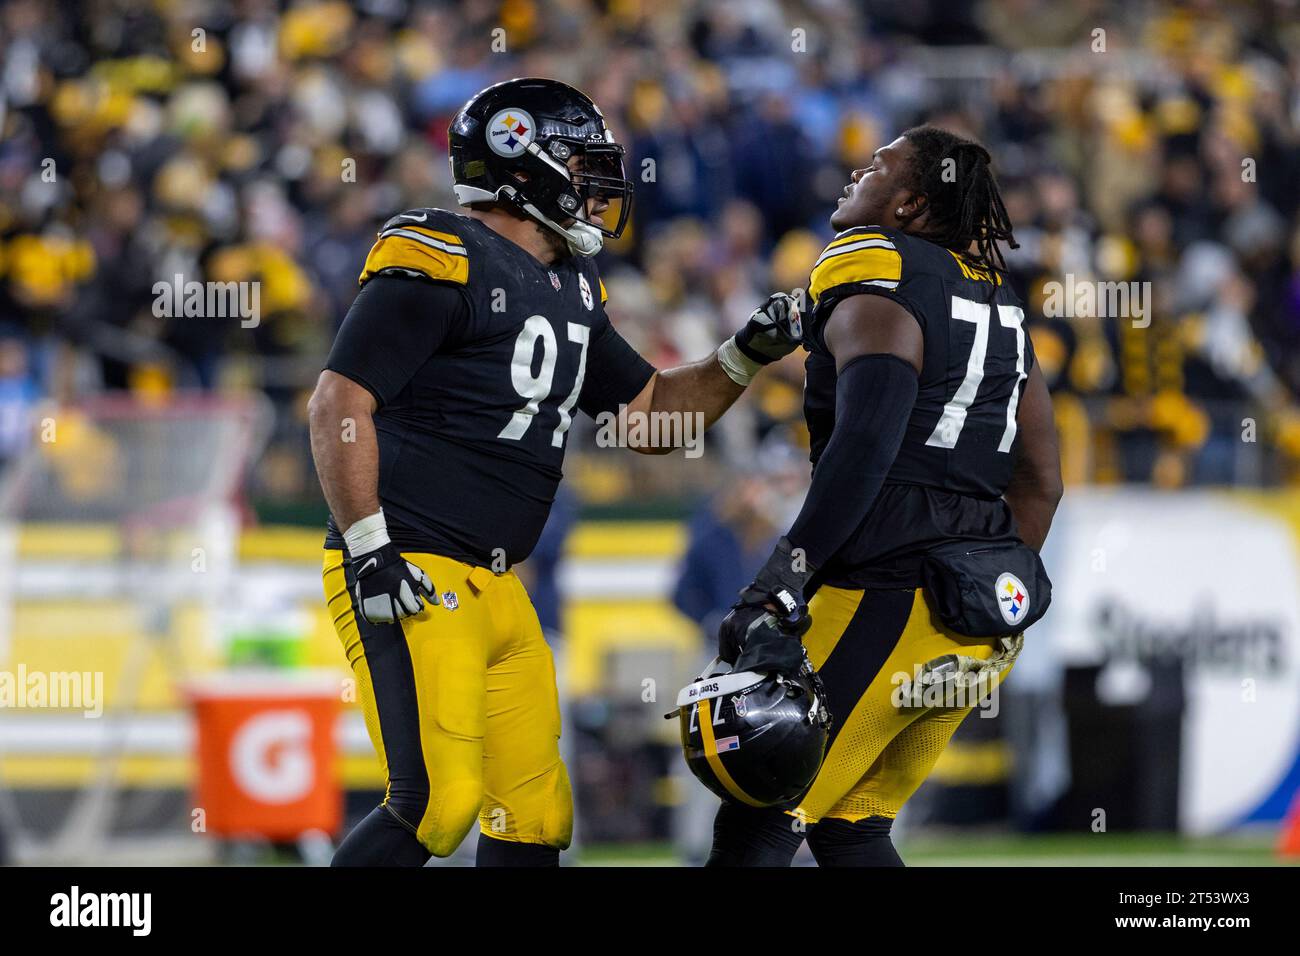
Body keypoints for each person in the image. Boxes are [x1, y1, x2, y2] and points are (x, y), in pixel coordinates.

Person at [307, 77, 801, 867]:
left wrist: (743, 356)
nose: (598, 185)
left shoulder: (571, 286)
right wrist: (370, 547)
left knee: (536, 818)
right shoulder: (440, 251)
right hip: (413, 566)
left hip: (504, 583)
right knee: (436, 804)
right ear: (518, 160)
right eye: (581, 163)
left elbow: (647, 416)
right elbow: (338, 400)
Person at [707, 126, 1063, 866]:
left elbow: (865, 445)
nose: (855, 173)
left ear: (906, 205)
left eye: (877, 166)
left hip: (886, 587)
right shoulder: (995, 299)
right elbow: (1042, 480)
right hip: (979, 608)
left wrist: (782, 581)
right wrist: (983, 577)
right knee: (853, 823)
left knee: (762, 817)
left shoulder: (873, 266)